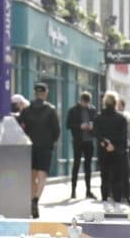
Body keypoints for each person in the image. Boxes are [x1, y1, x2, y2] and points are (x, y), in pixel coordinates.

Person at [19, 83, 61, 216]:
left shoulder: (27, 110)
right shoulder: (51, 110)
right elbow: (56, 130)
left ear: (35, 93)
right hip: (45, 147)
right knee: (42, 176)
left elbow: (20, 125)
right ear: (45, 93)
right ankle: (36, 200)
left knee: (32, 176)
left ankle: (32, 199)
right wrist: (51, 141)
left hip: (30, 146)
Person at [94, 93, 130, 203]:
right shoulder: (121, 119)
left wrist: (105, 143)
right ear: (116, 103)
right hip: (117, 152)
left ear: (104, 103)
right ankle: (118, 202)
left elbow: (97, 134)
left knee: (104, 177)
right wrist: (114, 146)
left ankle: (105, 200)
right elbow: (123, 137)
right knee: (117, 177)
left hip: (103, 151)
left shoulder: (98, 118)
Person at [66, 91, 98, 200]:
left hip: (89, 141)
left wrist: (92, 125)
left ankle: (88, 190)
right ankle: (73, 190)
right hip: (78, 141)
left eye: (88, 103)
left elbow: (97, 123)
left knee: (88, 166)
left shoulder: (92, 110)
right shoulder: (73, 110)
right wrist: (80, 126)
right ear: (81, 101)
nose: (86, 105)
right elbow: (68, 124)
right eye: (84, 103)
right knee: (76, 164)